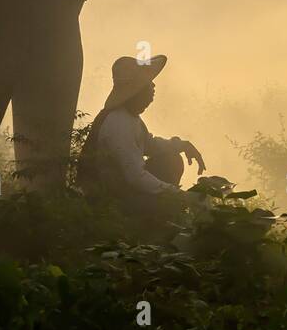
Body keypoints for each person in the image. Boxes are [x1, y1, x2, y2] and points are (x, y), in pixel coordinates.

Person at [75, 54, 207, 213]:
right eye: (148, 84)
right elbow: (135, 176)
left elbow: (150, 144)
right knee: (171, 204)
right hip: (109, 198)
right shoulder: (119, 123)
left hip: (122, 189)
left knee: (171, 158)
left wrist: (182, 145)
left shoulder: (130, 118)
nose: (153, 87)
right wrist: (178, 194)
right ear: (137, 91)